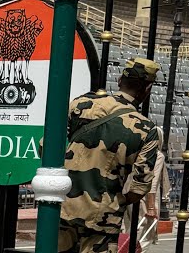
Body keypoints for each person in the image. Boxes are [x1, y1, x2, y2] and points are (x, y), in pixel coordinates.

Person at [59, 57, 161, 253]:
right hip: (103, 218)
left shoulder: (81, 104)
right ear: (147, 89)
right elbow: (140, 186)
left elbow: (46, 146)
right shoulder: (146, 130)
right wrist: (115, 201)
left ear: (119, 80)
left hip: (63, 206)